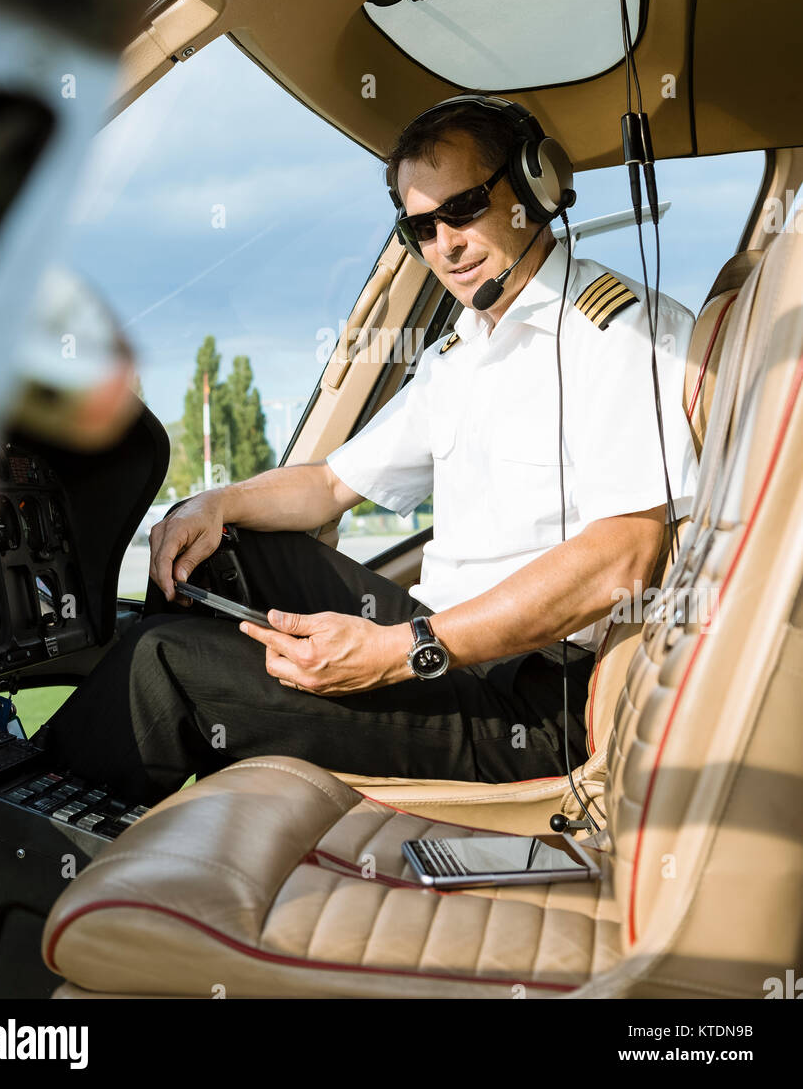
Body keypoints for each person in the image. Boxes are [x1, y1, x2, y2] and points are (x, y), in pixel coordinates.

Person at [36, 99, 698, 807]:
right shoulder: (461, 354)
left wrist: (395, 651)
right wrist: (214, 502)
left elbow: (619, 561)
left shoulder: (622, 333)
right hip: (453, 648)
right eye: (421, 228)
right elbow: (328, 483)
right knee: (228, 553)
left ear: (534, 187)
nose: (446, 244)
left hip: (544, 704)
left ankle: (24, 848)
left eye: (465, 208)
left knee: (158, 667)